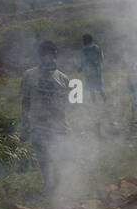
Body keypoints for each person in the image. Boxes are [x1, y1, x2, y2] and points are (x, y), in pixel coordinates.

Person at [19, 40, 71, 193]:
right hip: (38, 125)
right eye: (47, 56)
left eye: (54, 56)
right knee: (43, 157)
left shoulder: (63, 78)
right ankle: (48, 184)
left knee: (58, 157)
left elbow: (67, 104)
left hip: (58, 126)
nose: (51, 59)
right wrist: (25, 127)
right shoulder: (29, 75)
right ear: (40, 57)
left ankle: (59, 184)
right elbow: (25, 102)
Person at [81, 33, 105, 103]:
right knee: (100, 86)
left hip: (89, 71)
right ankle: (104, 99)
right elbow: (101, 58)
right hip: (97, 70)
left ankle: (93, 101)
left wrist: (81, 67)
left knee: (91, 88)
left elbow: (83, 60)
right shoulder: (97, 47)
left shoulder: (84, 49)